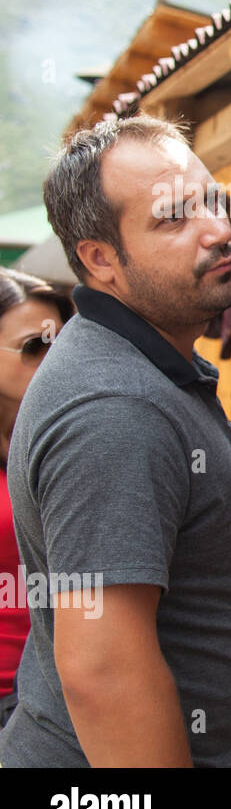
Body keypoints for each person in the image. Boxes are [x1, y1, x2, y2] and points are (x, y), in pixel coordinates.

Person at [0, 115, 231, 767]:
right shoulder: (114, 409)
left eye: (212, 200)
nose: (219, 229)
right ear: (100, 259)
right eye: (174, 218)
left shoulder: (136, 368)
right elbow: (102, 673)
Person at [0, 270, 72, 730]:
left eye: (61, 346)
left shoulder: (73, 441)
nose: (52, 361)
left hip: (66, 691)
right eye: (33, 347)